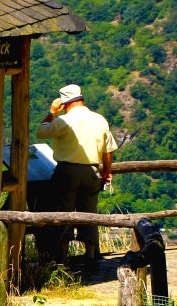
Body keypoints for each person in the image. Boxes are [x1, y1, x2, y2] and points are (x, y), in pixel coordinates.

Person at [37, 83, 117, 267]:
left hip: (67, 171)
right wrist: (106, 171)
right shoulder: (99, 120)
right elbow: (108, 150)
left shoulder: (63, 121)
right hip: (92, 172)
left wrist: (52, 113)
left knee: (64, 211)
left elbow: (41, 132)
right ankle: (90, 255)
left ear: (64, 103)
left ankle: (62, 257)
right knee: (89, 211)